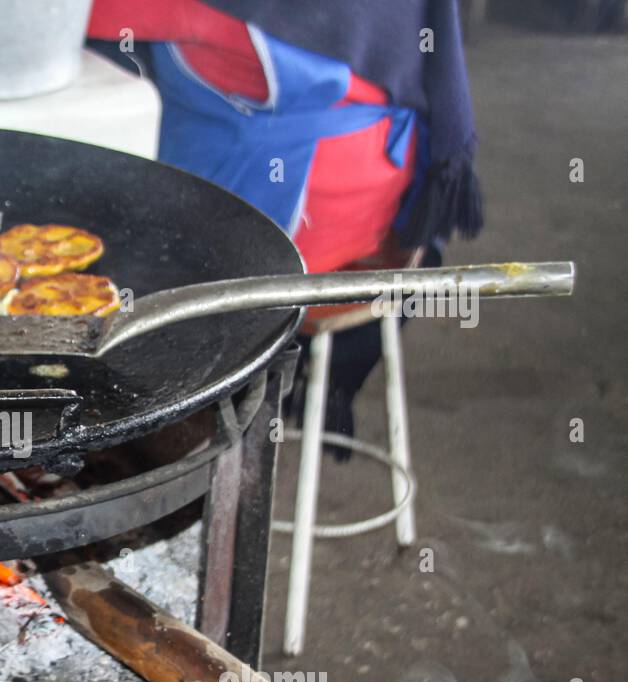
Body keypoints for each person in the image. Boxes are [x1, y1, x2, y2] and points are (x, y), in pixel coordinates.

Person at [88, 0, 483, 456]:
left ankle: (175, 434)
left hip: (299, 217)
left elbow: (80, 15)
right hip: (377, 188)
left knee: (106, 240)